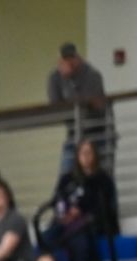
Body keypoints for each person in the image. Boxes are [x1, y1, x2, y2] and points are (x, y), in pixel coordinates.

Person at [41, 139, 118, 261]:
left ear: (95, 155)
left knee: (81, 244)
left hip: (90, 224)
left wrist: (81, 213)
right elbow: (57, 200)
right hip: (65, 222)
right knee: (45, 239)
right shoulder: (67, 179)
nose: (85, 156)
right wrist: (64, 213)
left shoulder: (103, 179)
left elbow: (106, 208)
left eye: (89, 153)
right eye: (82, 153)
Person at [49, 44, 116, 175]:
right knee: (66, 174)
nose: (69, 63)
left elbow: (91, 105)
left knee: (102, 175)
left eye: (72, 58)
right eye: (65, 59)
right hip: (73, 134)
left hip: (98, 133)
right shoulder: (55, 78)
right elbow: (55, 106)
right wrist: (65, 78)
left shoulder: (92, 75)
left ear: (78, 58)